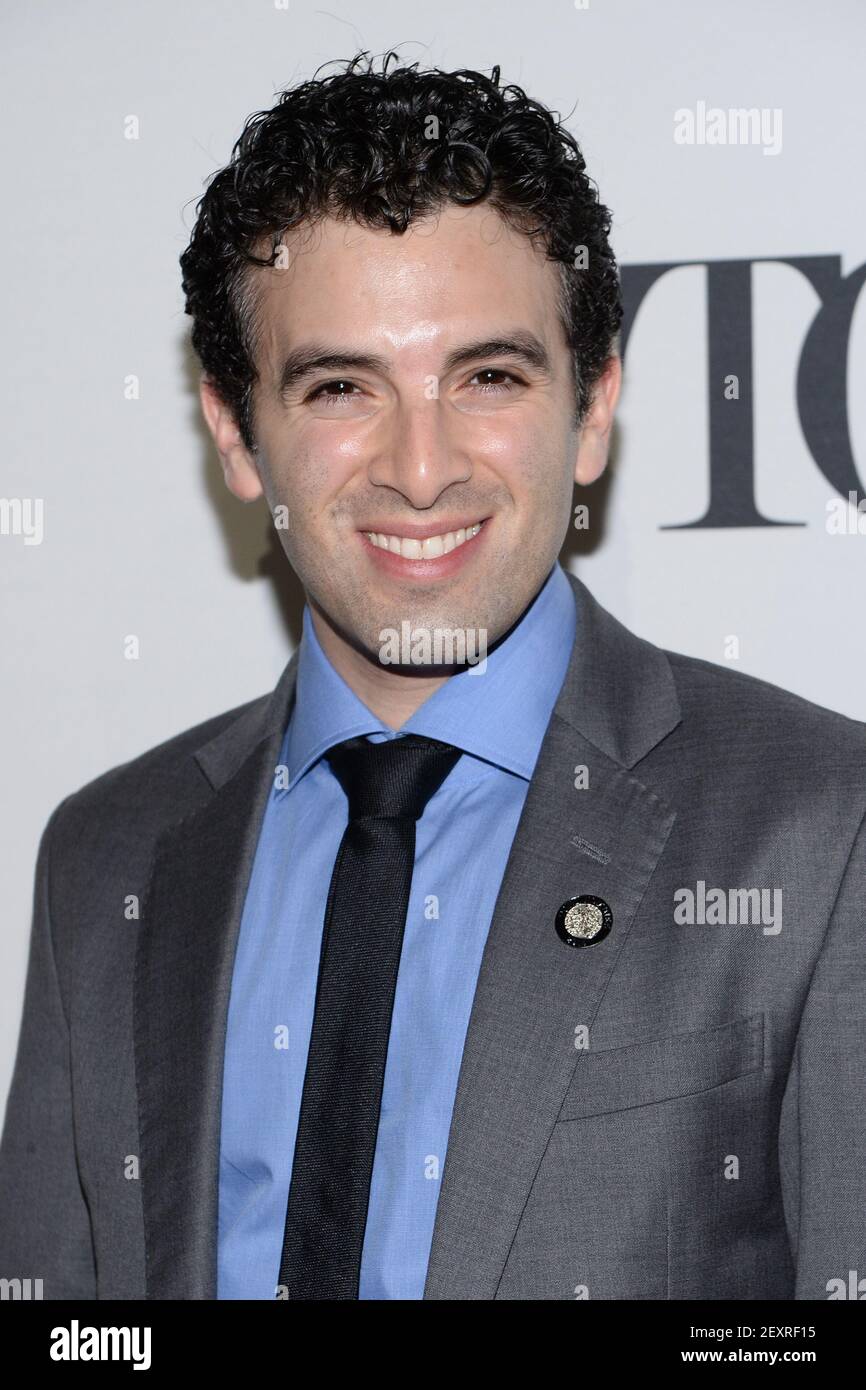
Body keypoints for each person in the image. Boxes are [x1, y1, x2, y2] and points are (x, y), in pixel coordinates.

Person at [1, 51, 865, 1302]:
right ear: (237, 435)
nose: (420, 466)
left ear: (596, 406)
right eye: (342, 386)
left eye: (488, 378)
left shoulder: (819, 828)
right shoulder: (108, 857)